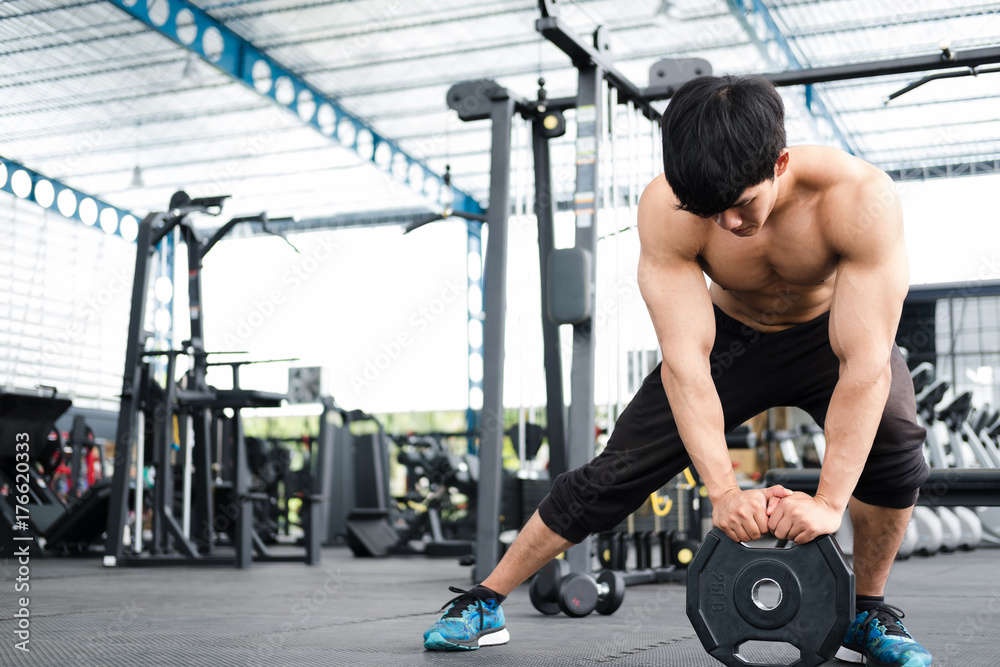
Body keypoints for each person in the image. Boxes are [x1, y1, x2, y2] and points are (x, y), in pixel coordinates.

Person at [422, 74, 932, 667]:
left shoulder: (859, 199)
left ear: (781, 161)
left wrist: (827, 502)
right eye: (711, 213)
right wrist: (721, 491)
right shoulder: (668, 209)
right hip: (729, 339)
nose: (730, 227)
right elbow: (686, 363)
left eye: (742, 205)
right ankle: (484, 601)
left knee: (895, 451)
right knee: (614, 474)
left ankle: (867, 610)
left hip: (831, 332)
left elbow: (865, 365)